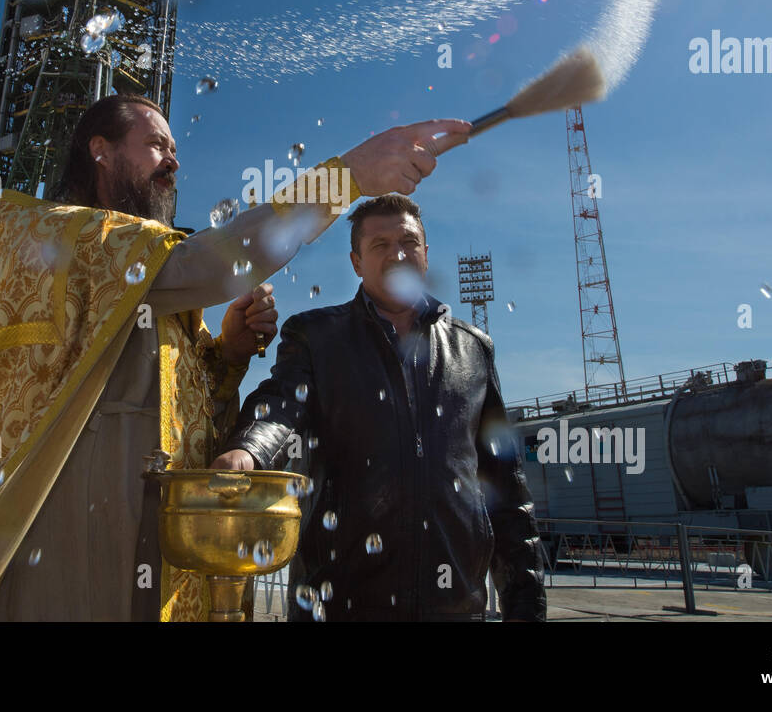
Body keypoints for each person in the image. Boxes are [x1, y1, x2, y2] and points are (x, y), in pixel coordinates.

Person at [0, 95, 470, 622]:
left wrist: (228, 353)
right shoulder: (47, 230)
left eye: (173, 150)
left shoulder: (148, 279)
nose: (173, 161)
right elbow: (212, 263)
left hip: (153, 540)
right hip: (68, 535)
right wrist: (349, 175)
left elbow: (186, 408)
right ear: (100, 149)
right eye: (157, 145)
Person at [213, 194, 547, 622]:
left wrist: (526, 608)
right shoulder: (317, 337)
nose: (398, 254)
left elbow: (508, 494)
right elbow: (280, 403)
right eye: (380, 245)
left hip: (455, 605)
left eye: (409, 242)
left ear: (426, 255)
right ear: (356, 262)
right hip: (339, 604)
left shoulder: (474, 350)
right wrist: (250, 449)